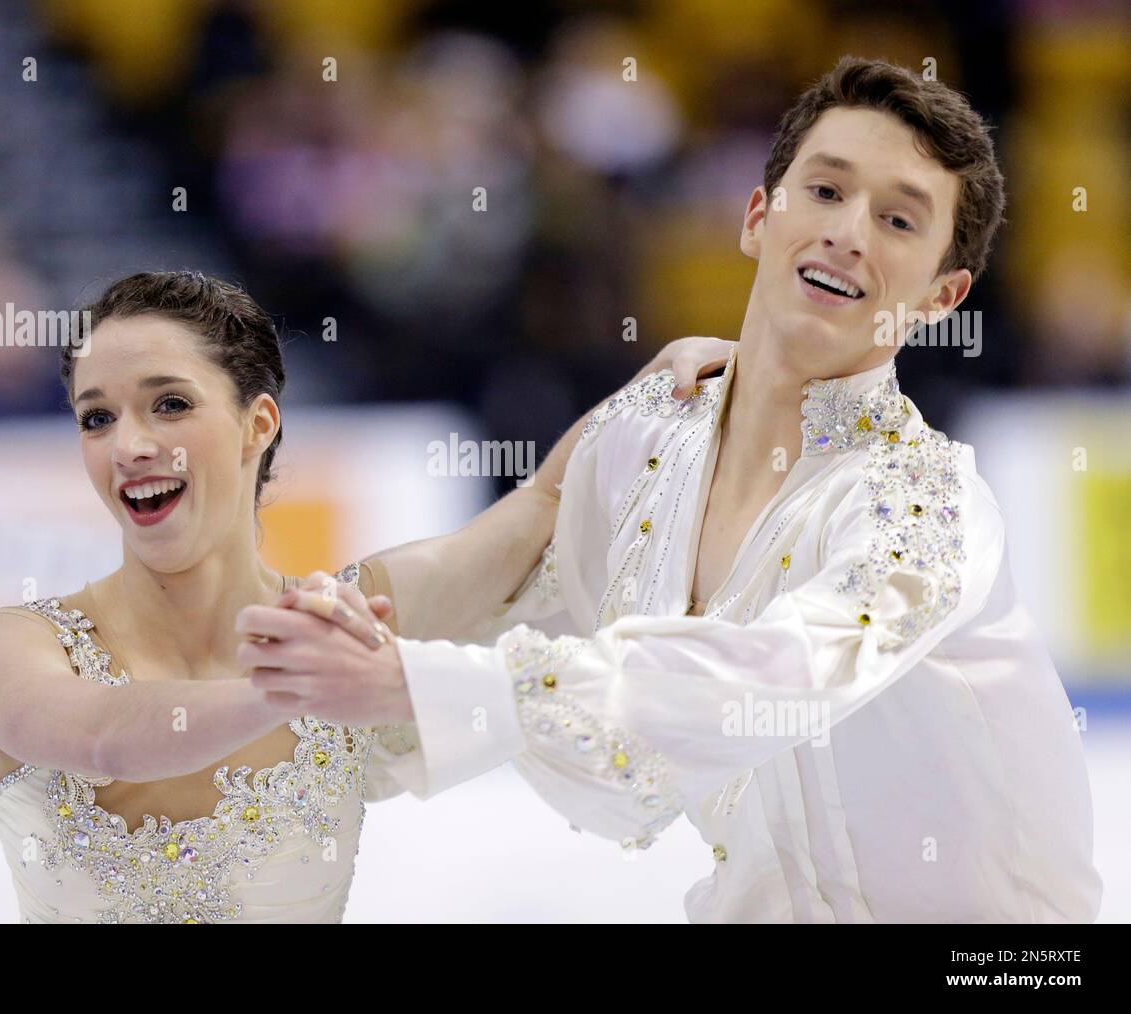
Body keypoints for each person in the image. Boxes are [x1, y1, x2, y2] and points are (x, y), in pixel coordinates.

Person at [244, 56, 1103, 922]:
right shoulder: (656, 429)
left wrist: (415, 684)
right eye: (827, 191)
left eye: (899, 220)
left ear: (940, 298)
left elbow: (769, 678)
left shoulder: (927, 503)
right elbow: (499, 572)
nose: (850, 232)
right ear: (758, 217)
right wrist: (299, 649)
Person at [0, 268, 732, 923]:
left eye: (171, 404)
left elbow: (547, 504)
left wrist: (655, 383)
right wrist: (295, 685)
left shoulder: (356, 615)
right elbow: (99, 739)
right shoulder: (12, 643)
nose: (130, 446)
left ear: (257, 424)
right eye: (97, 417)